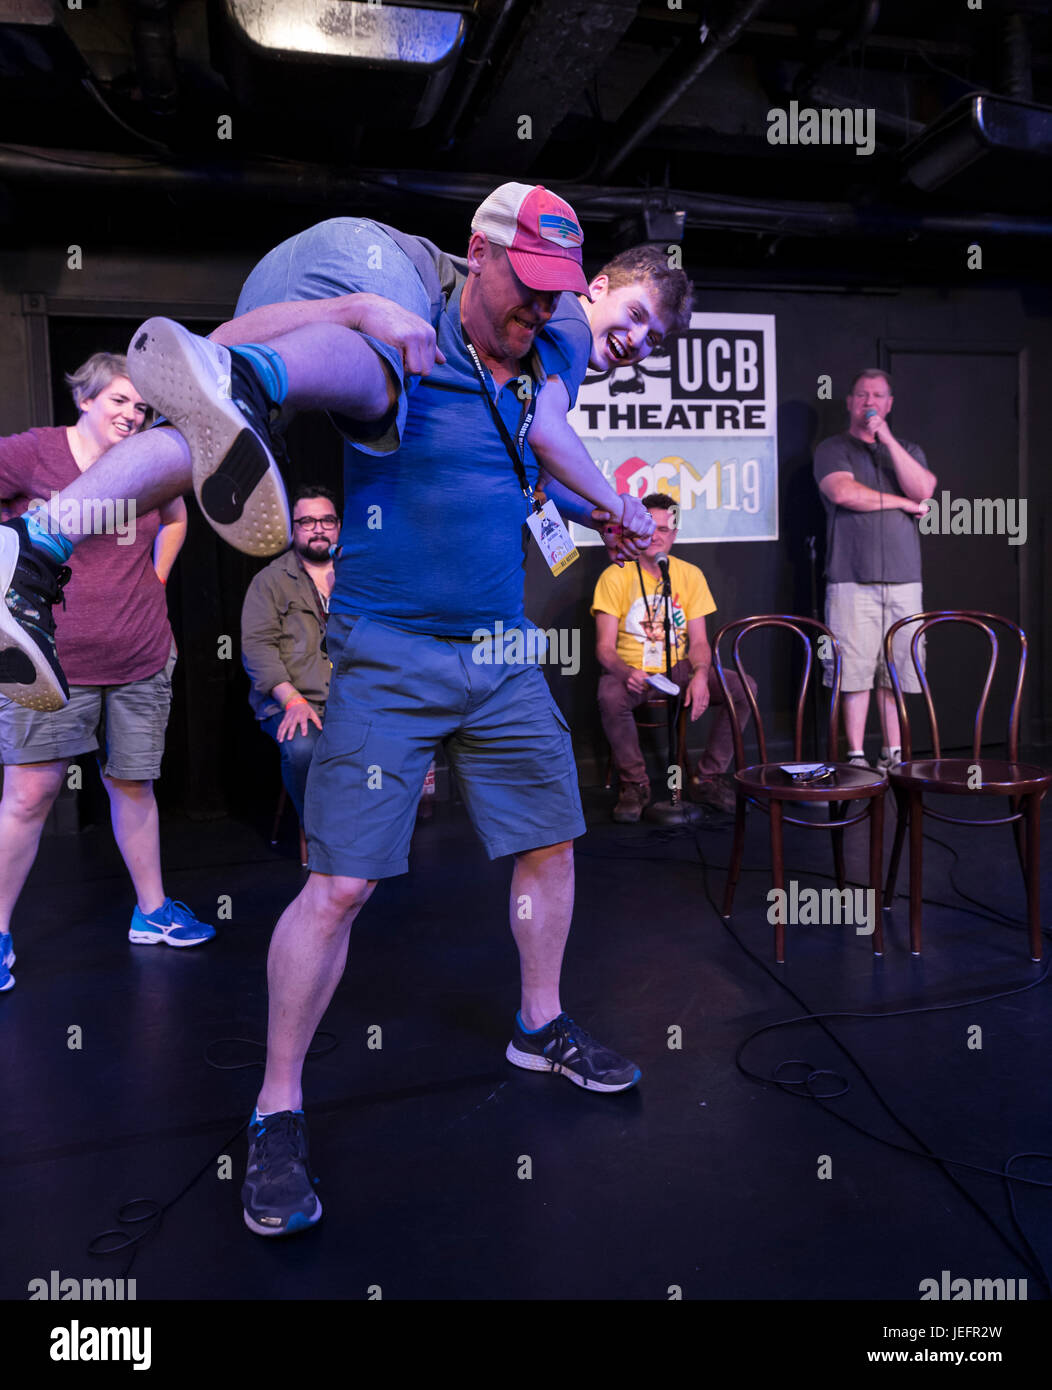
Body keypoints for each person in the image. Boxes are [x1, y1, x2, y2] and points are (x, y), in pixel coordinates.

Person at [0, 184, 685, 1240]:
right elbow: (228, 336)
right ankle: (277, 1103)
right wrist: (356, 317)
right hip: (386, 652)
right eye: (528, 289)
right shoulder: (408, 320)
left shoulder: (552, 348)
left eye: (556, 300)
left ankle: (536, 1025)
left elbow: (549, 432)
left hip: (497, 652)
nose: (537, 313)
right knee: (341, 887)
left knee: (551, 843)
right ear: (476, 255)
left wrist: (613, 508)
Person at [0, 353, 213, 992]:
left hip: (140, 655)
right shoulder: (36, 454)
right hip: (49, 659)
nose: (131, 414)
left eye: (141, 407)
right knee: (30, 796)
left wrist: (155, 576)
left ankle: (151, 913)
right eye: (119, 400)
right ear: (86, 399)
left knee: (132, 785)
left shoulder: (148, 460)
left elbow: (176, 518)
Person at [592, 493, 757, 823]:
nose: (656, 536)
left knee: (745, 688)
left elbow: (698, 641)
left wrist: (699, 673)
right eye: (649, 528)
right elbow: (604, 649)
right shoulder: (615, 575)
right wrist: (625, 673)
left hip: (679, 667)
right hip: (635, 670)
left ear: (675, 535)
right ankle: (635, 784)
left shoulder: (690, 575)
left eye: (665, 530)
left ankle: (706, 778)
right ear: (635, 530)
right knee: (609, 695)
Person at [813, 369, 935, 770]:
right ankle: (856, 756)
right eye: (862, 395)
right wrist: (901, 503)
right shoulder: (833, 448)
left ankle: (893, 754)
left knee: (897, 671)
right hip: (851, 579)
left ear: (889, 404)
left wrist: (887, 439)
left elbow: (924, 489)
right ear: (849, 402)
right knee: (856, 671)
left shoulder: (908, 450)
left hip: (904, 581)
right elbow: (843, 492)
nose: (869, 402)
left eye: (878, 396)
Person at [241, 485, 336, 824]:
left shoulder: (357, 577)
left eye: (327, 520)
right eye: (308, 521)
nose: (318, 528)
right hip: (292, 700)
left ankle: (370, 839)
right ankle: (321, 833)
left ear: (338, 527)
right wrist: (293, 700)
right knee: (303, 748)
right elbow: (257, 650)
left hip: (351, 701)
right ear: (293, 529)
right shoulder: (270, 581)